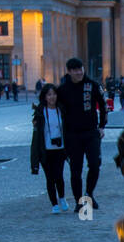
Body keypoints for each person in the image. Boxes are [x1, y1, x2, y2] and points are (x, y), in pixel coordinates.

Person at [56, 57, 108, 216]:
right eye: (75, 70)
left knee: (94, 163)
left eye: (81, 69)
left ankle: (89, 193)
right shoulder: (63, 90)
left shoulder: (92, 86)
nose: (79, 72)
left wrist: (102, 126)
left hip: (91, 132)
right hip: (72, 135)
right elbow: (54, 108)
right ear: (69, 71)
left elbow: (103, 105)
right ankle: (79, 200)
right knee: (75, 169)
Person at [30, 83, 69, 213]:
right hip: (45, 150)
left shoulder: (62, 109)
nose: (52, 97)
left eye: (54, 94)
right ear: (45, 97)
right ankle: (54, 204)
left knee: (59, 175)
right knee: (50, 178)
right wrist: (34, 159)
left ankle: (62, 198)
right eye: (49, 94)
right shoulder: (40, 112)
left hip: (60, 149)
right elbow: (36, 137)